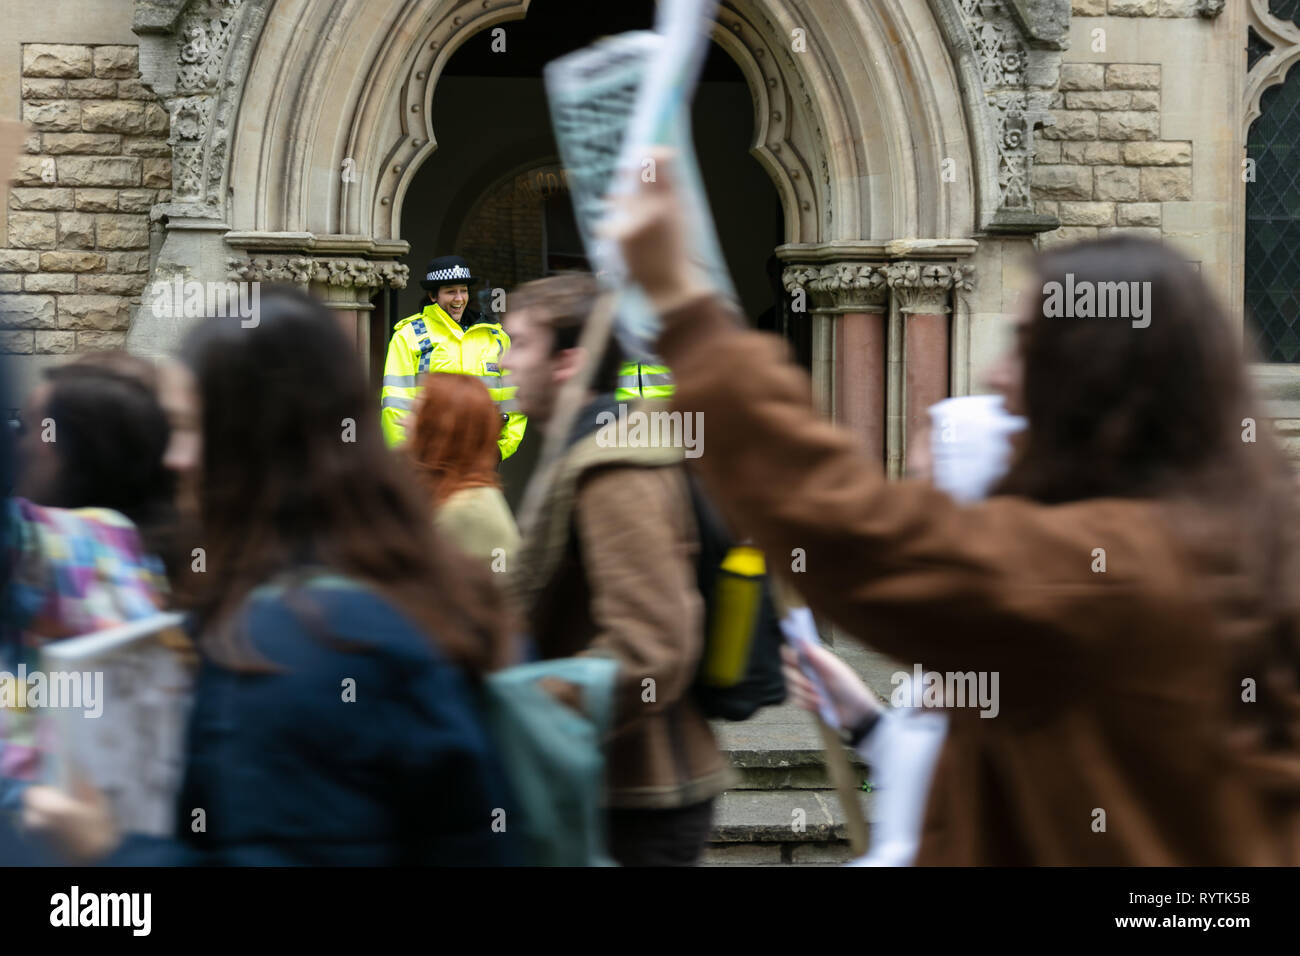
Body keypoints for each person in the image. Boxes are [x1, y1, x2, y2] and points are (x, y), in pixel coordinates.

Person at [608, 155, 1300, 865]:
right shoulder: (1224, 529)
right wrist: (875, 726)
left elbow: (859, 536)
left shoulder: (1117, 564)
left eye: (1027, 348)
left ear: (1099, 374)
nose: (996, 374)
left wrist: (684, 310)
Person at [22, 286, 520, 866]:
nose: (175, 459)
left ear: (249, 443)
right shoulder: (411, 584)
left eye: (189, 428)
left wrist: (108, 850)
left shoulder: (286, 646)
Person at [504, 272, 730, 866]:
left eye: (520, 343)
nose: (503, 361)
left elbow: (650, 647)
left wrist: (517, 705)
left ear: (567, 361)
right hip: (606, 790)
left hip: (637, 800)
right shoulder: (586, 453)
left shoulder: (614, 472)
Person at [381, 255, 526, 460]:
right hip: (429, 455)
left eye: (463, 290)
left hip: (482, 455)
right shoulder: (408, 336)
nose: (459, 299)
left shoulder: (496, 337)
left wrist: (501, 449)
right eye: (450, 291)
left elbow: (513, 400)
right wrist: (406, 456)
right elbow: (396, 404)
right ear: (433, 295)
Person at [408, 372, 520, 571]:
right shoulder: (451, 496)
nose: (403, 422)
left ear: (440, 432)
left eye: (416, 414)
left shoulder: (465, 512)